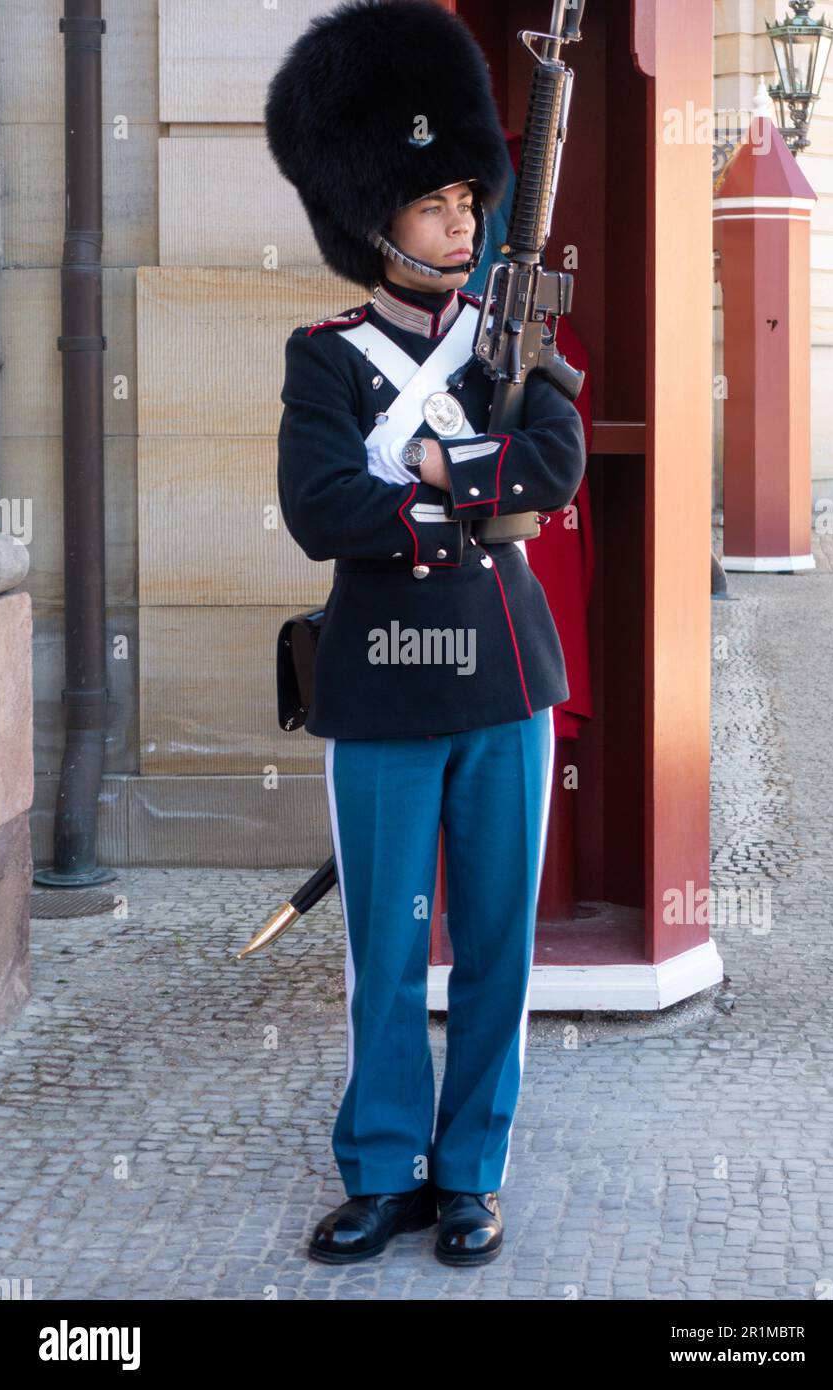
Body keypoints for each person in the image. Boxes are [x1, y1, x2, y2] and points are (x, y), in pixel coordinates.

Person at [265, 0, 586, 1267]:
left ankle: (470, 1171)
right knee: (385, 951)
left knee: (497, 947)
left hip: (505, 682)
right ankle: (384, 1165)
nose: (460, 218)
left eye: (468, 197)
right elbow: (316, 506)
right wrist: (469, 485)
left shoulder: (516, 343)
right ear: (373, 217)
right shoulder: (325, 357)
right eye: (434, 200)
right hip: (386, 686)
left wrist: (425, 487)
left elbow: (552, 468)